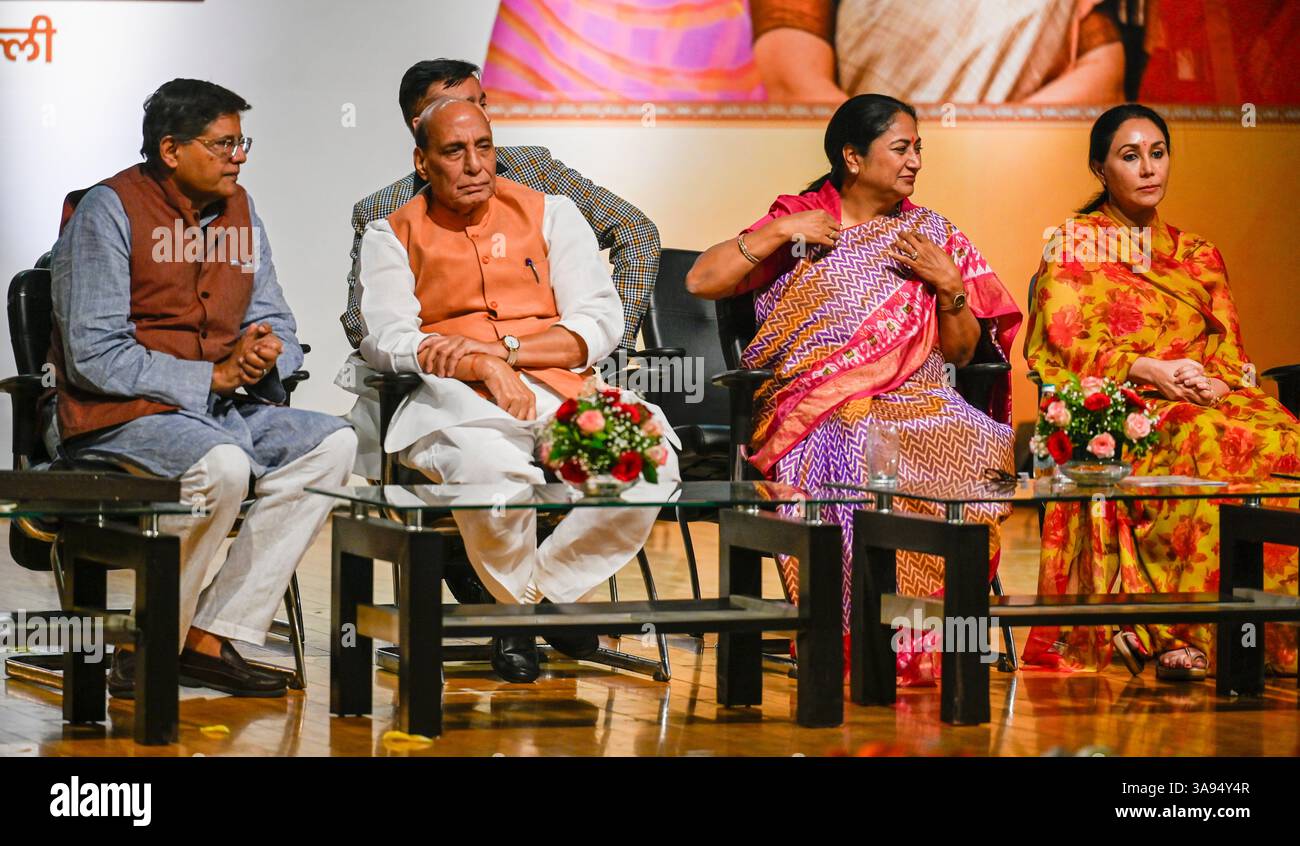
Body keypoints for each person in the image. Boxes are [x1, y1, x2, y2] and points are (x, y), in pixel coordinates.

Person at [686, 94, 1021, 683]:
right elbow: (702, 279)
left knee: (977, 439)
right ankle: (854, 633)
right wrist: (781, 231)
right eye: (901, 147)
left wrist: (949, 286)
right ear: (852, 157)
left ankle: (921, 635)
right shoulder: (802, 221)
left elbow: (964, 355)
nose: (915, 160)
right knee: (859, 438)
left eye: (919, 148)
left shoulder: (931, 234)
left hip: (923, 401)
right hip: (815, 407)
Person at [352, 97, 681, 684]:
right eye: (455, 151)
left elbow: (598, 322)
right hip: (454, 402)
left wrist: (502, 354)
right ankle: (531, 617)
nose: (476, 164)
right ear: (422, 163)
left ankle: (524, 607)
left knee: (646, 464)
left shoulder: (552, 212)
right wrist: (475, 368)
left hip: (564, 389)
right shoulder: (391, 231)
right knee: (496, 480)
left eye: (484, 147)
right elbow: (386, 335)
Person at [48, 79, 357, 698]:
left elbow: (277, 320)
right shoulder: (106, 213)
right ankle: (151, 638)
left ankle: (210, 637)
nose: (239, 156)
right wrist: (209, 376)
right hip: (116, 417)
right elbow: (93, 354)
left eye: (242, 143)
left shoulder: (242, 212)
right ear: (170, 149)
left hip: (223, 409)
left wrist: (268, 353)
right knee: (222, 465)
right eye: (224, 145)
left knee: (333, 446)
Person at [1022, 103, 1300, 680]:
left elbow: (1231, 350)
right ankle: (1184, 629)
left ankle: (1278, 633)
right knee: (1210, 441)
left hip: (1206, 397)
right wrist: (1149, 370)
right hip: (1125, 407)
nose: (1148, 168)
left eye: (1157, 153)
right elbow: (1060, 350)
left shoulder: (1198, 253)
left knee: (1283, 438)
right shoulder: (1072, 248)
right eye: (1130, 156)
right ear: (1100, 168)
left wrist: (1214, 379)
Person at [749, 0, 1124, 104]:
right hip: (867, 185)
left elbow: (1103, 75)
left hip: (1009, 169)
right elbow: (793, 81)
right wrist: (884, 155)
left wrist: (991, 145)